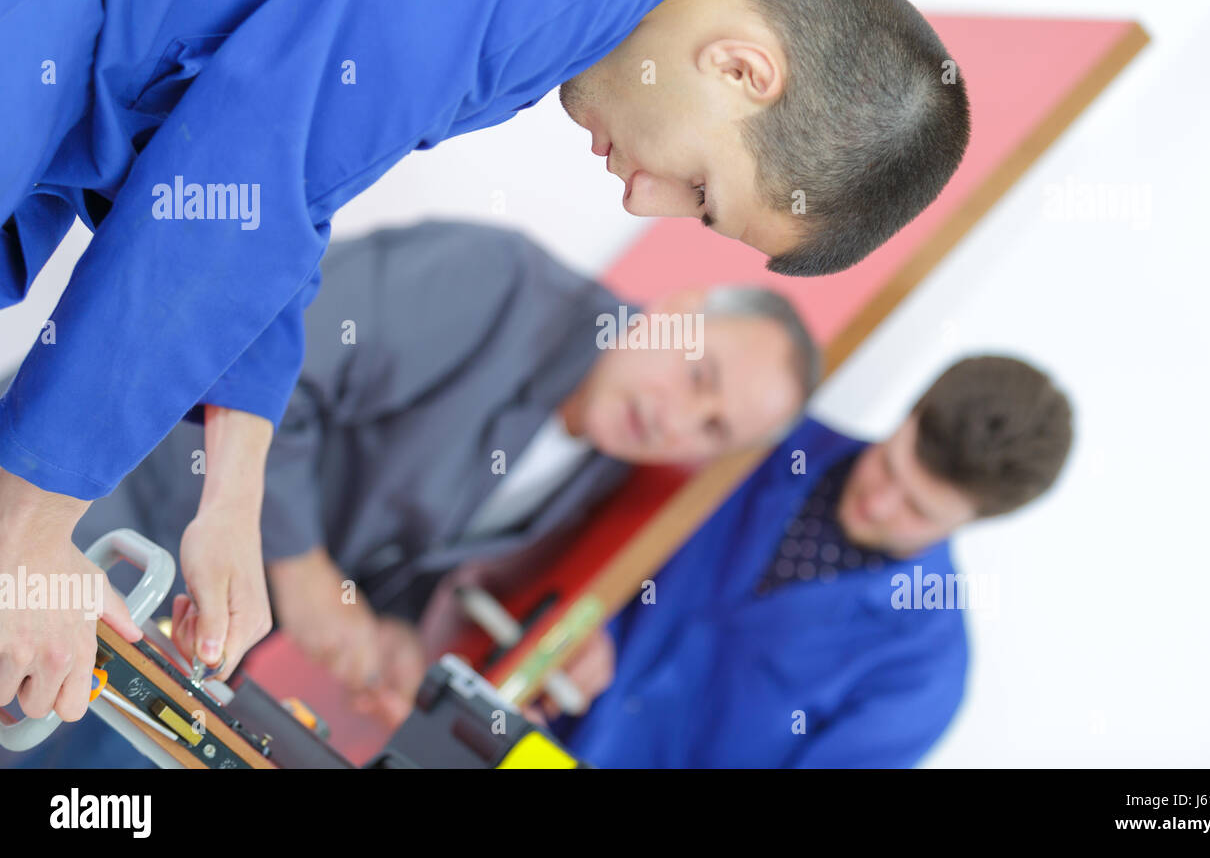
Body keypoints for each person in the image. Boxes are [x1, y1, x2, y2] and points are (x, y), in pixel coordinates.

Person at [1, 0, 970, 726]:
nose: (644, 202)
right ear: (743, 71)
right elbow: (261, 159)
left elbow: (299, 185)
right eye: (701, 190)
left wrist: (234, 494)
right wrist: (31, 531)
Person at [0, 218, 817, 766]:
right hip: (87, 510)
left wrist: (390, 633)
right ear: (675, 310)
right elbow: (261, 361)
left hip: (177, 651)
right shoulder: (493, 280)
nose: (676, 419)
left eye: (711, 429)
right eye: (696, 373)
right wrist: (306, 572)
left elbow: (406, 529)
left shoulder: (601, 465)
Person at [434, 356, 1073, 767]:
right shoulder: (751, 435)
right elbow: (552, 527)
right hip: (468, 728)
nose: (878, 501)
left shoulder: (921, 674)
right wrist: (583, 619)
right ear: (908, 415)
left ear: (973, 522)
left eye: (917, 510)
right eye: (891, 464)